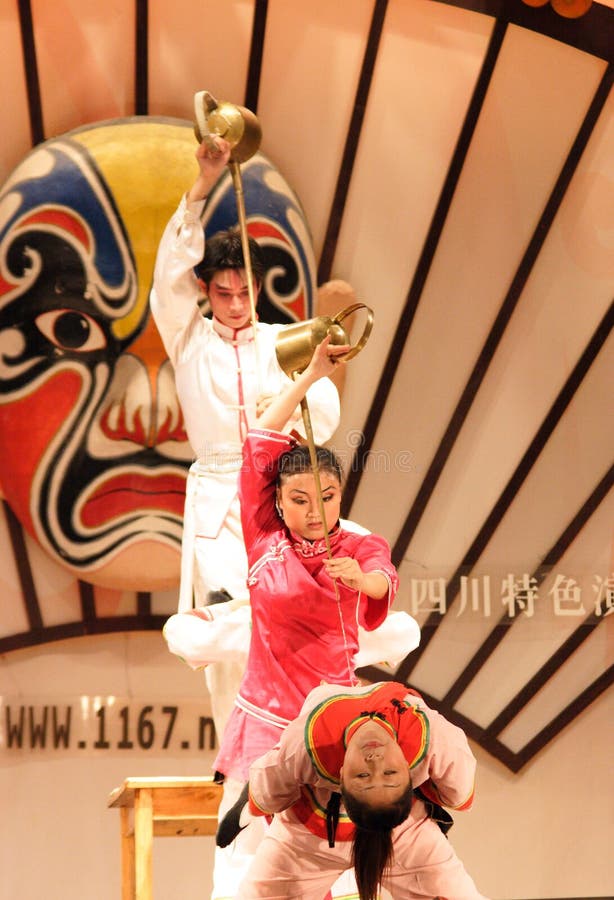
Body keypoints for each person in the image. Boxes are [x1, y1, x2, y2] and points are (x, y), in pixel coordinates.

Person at [191, 335, 402, 899]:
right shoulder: (264, 540)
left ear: (341, 495)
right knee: (240, 868)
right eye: (301, 500)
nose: (316, 511)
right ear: (278, 503)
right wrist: (309, 376)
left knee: (334, 871)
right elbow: (259, 443)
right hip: (262, 724)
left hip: (328, 731)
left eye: (328, 497)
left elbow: (384, 576)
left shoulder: (357, 546)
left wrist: (364, 581)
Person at [150, 135, 341, 741]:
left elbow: (326, 414)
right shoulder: (187, 338)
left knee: (291, 619)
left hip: (279, 495)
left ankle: (298, 753)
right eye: (223, 293)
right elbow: (168, 276)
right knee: (235, 635)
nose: (235, 304)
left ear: (259, 289)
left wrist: (293, 401)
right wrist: (204, 183)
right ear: (207, 291)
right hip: (217, 494)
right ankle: (244, 777)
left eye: (245, 292)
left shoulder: (280, 343)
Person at [221, 680, 487, 900]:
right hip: (306, 838)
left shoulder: (306, 746)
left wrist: (252, 802)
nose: (375, 762)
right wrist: (244, 808)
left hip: (406, 834)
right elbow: (458, 795)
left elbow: (267, 787)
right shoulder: (432, 738)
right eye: (389, 774)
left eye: (364, 776)